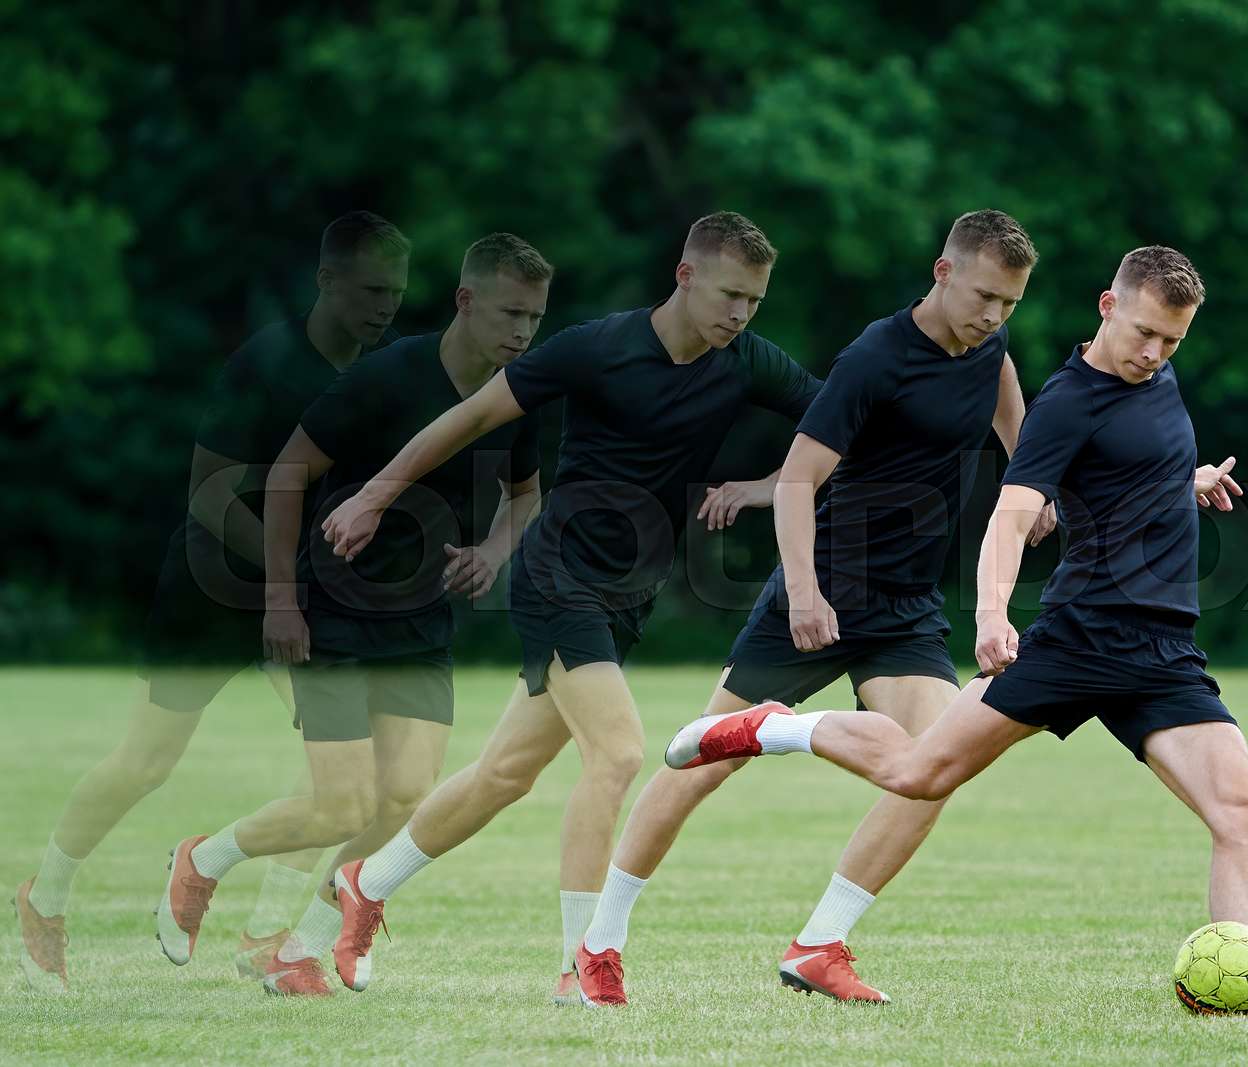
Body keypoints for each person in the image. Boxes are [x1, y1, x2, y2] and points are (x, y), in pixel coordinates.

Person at [665, 246, 1248, 1014]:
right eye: (1145, 334)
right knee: (920, 775)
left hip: (1162, 652)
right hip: (1076, 642)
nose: (1155, 353)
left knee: (1243, 811)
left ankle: (1240, 984)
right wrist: (992, 614)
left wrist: (1181, 481)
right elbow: (1012, 516)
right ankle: (777, 728)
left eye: (1173, 342)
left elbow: (1129, 465)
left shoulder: (1155, 376)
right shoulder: (1066, 402)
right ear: (1107, 306)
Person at [314, 212, 822, 1005]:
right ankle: (580, 966)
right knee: (618, 753)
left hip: (627, 596)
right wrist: (377, 497)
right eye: (729, 295)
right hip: (558, 573)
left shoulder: (747, 361)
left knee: (503, 774)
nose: (740, 314)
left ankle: (365, 880)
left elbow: (837, 424)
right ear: (685, 276)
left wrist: (768, 487)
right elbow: (471, 416)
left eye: (754, 301)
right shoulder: (596, 348)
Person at [573, 210, 1056, 1006]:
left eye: (1010, 303)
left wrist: (1029, 487)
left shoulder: (991, 348)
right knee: (699, 766)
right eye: (983, 296)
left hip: (904, 609)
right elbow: (797, 479)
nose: (994, 315)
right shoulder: (875, 357)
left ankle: (820, 944)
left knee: (938, 767)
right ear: (942, 271)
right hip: (826, 589)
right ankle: (601, 942)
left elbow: (1018, 425)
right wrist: (803, 592)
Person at [12, 212, 409, 993]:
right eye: (369, 289)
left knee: (346, 784)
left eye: (396, 292)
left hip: (299, 599)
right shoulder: (266, 363)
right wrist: (278, 586)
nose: (384, 306)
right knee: (144, 763)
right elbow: (207, 490)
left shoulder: (378, 376)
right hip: (209, 587)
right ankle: (45, 897)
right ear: (326, 280)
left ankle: (266, 937)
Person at [153, 233, 548, 998]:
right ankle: (202, 859)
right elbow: (288, 475)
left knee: (404, 795)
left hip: (422, 618)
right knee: (342, 801)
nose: (523, 332)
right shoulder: (386, 377)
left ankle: (294, 948)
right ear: (465, 301)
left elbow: (527, 493)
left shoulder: (518, 392)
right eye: (509, 313)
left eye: (534, 317)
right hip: (331, 607)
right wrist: (278, 598)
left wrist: (495, 551)